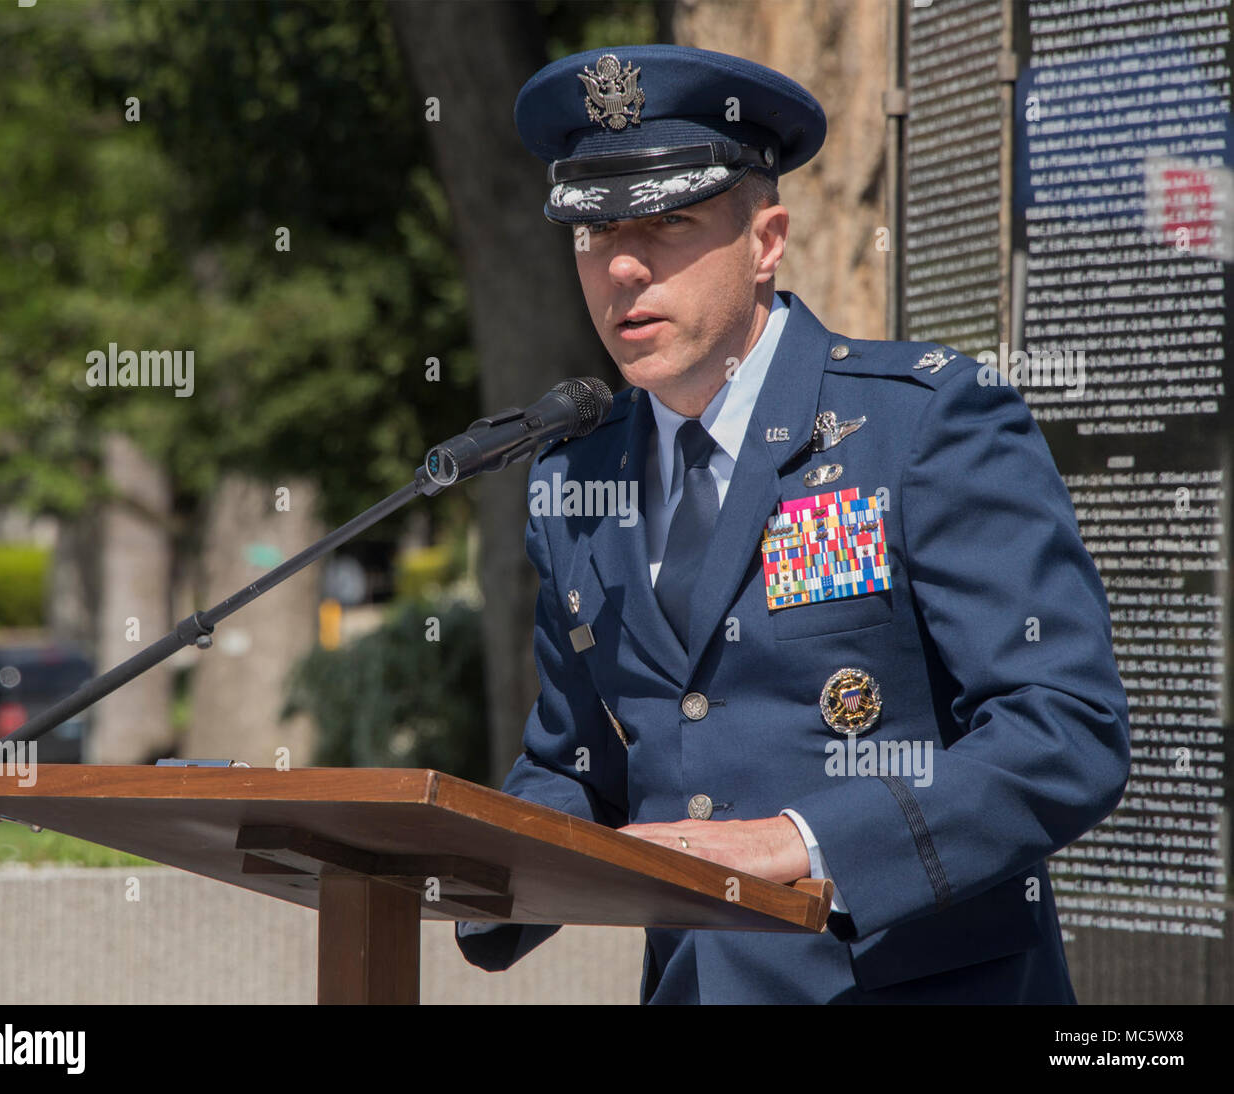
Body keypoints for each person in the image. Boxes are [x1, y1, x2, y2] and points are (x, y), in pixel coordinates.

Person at [454, 43, 1131, 1004]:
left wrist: (804, 842)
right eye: (593, 233)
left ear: (767, 239)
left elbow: (1066, 728)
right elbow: (578, 760)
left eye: (669, 221)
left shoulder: (922, 423)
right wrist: (443, 864)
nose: (624, 265)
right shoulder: (579, 475)